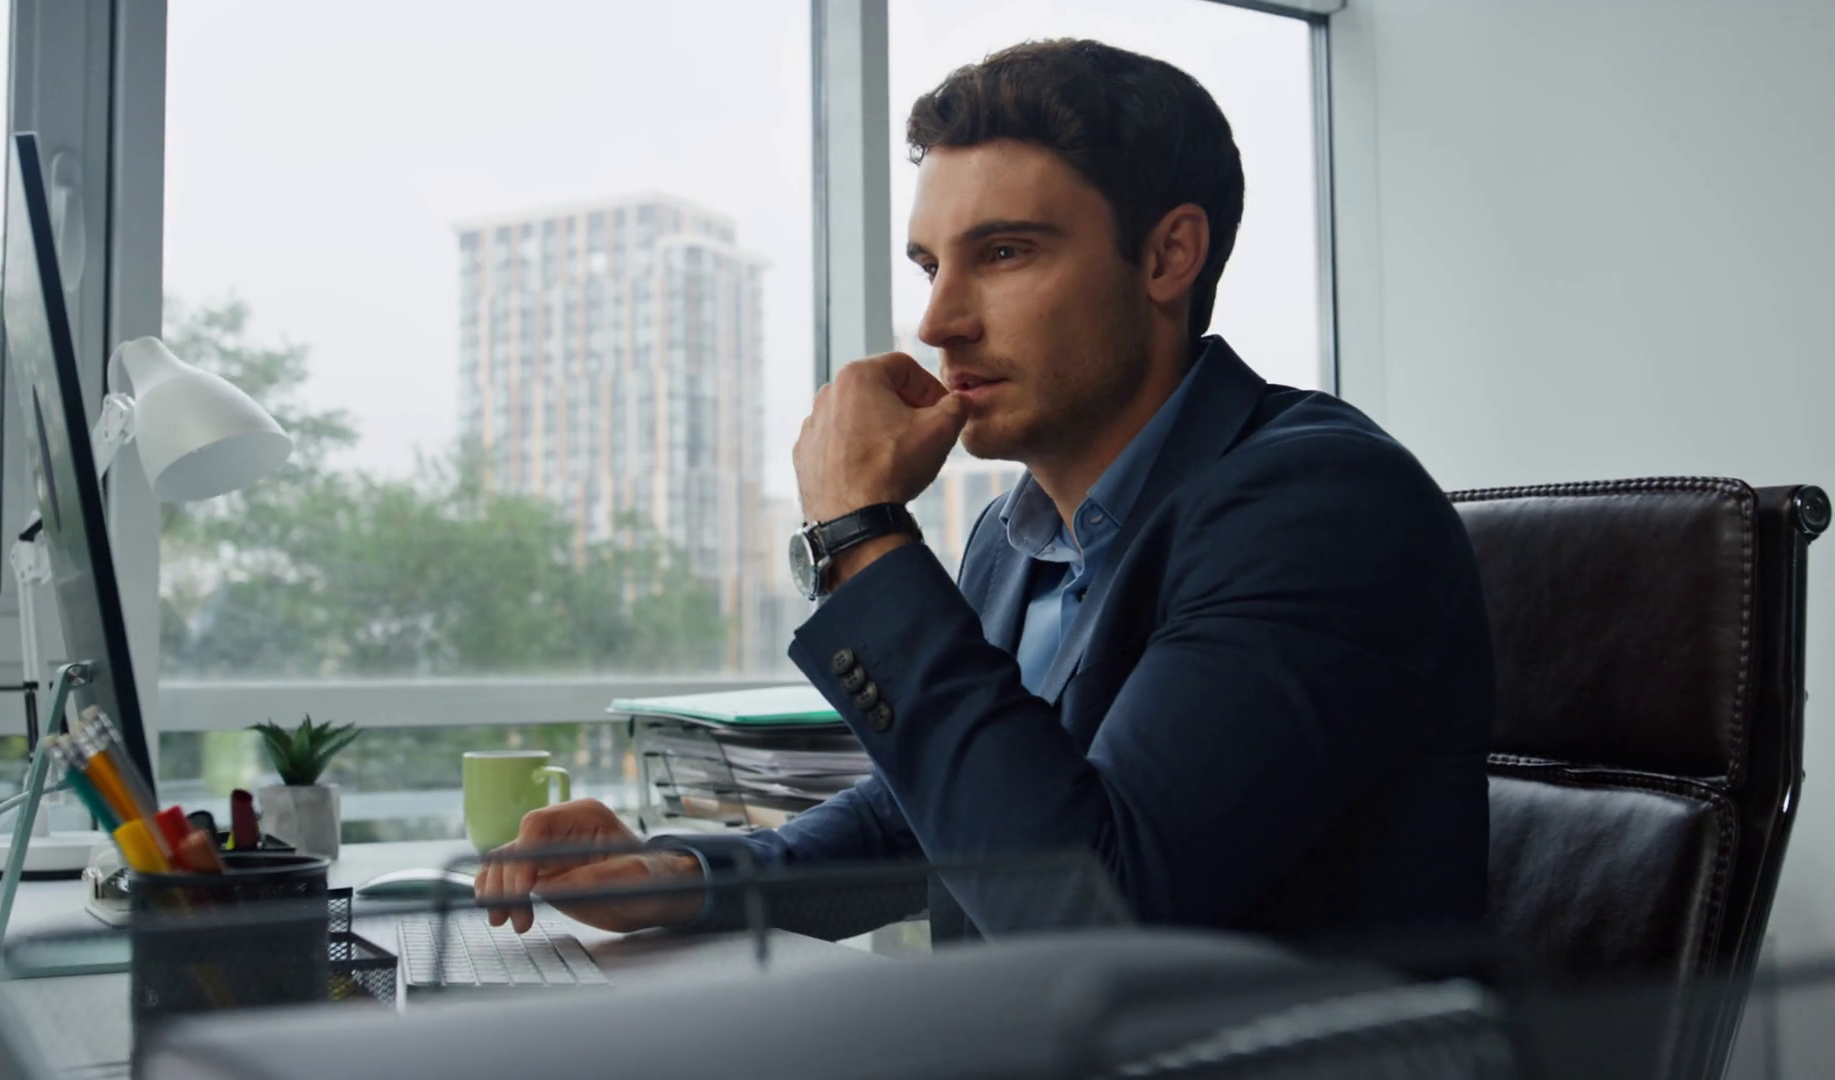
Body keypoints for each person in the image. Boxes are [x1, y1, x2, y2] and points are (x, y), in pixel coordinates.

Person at [475, 38, 1494, 943]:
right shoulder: (1017, 538)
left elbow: (1096, 907)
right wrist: (682, 875)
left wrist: (864, 533)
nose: (939, 320)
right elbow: (933, 817)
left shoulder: (1317, 504)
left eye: (1003, 253)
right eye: (929, 264)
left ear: (1168, 255)